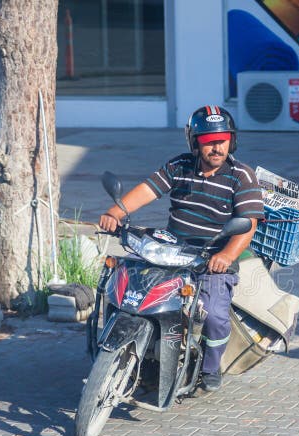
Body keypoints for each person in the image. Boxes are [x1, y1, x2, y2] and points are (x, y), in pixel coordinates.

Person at [99, 105, 265, 392]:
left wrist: (225, 256)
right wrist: (116, 212)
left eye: (222, 139)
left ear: (232, 140)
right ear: (195, 142)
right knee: (127, 289)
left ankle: (212, 367)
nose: (216, 147)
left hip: (211, 258)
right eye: (208, 140)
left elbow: (248, 224)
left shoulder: (242, 176)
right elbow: (148, 190)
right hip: (173, 250)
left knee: (213, 314)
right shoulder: (179, 166)